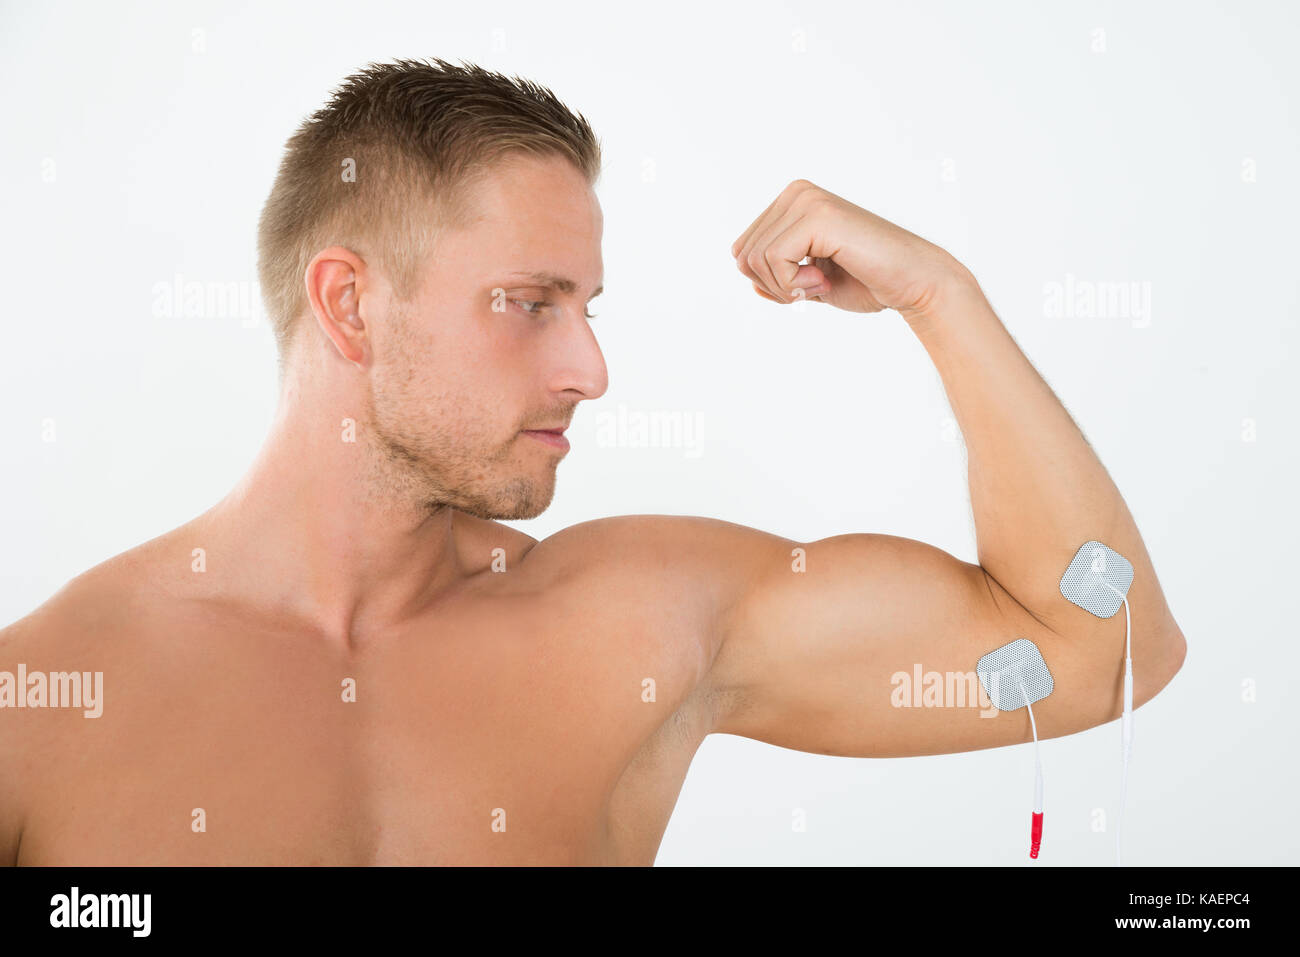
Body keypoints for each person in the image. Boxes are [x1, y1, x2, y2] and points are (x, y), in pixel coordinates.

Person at [0, 58, 1185, 865]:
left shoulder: (639, 618)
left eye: (589, 309)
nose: (590, 370)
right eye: (527, 304)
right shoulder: (39, 707)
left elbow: (1099, 651)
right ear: (350, 305)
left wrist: (942, 296)